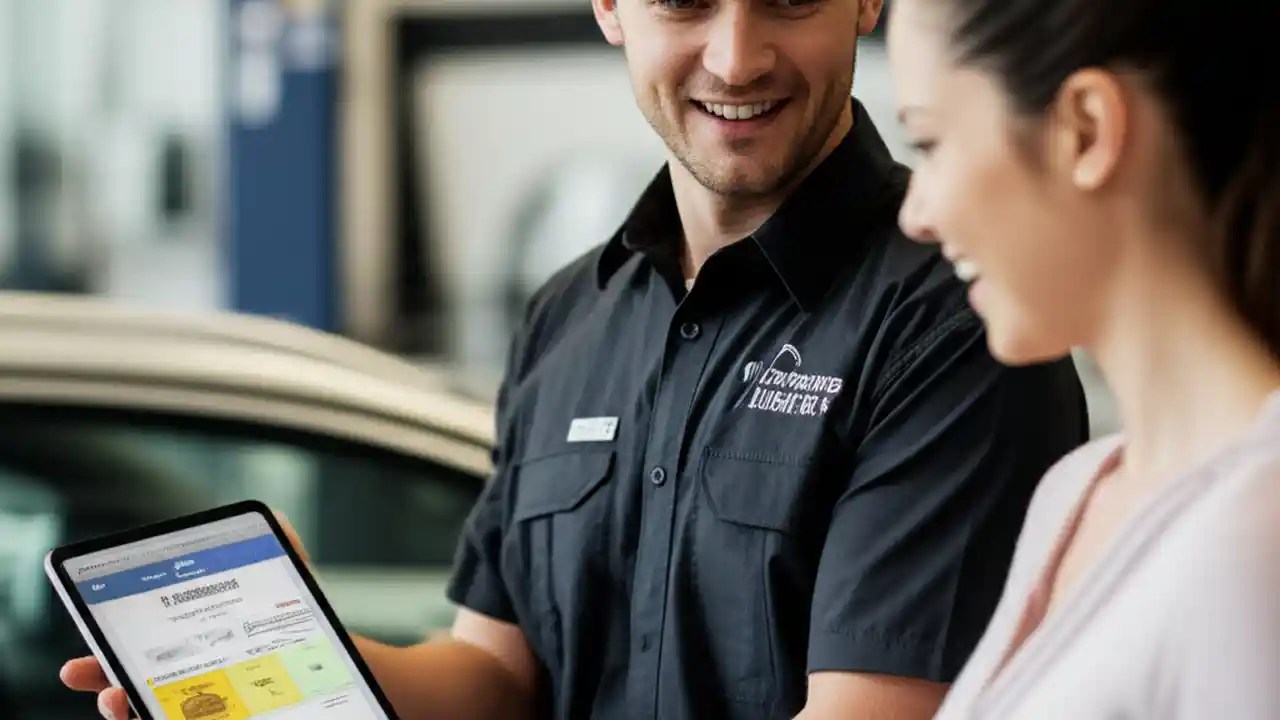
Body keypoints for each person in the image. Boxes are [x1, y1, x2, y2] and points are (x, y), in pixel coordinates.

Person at [64, 1, 1089, 718]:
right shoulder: (570, 315)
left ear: (863, 1)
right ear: (611, 6)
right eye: (682, 1)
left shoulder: (951, 318)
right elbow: (496, 680)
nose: (736, 58)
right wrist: (293, 666)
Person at [885, 0, 1280, 716]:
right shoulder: (1074, 492)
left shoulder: (1255, 541)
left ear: (1087, 130)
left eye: (930, 143)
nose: (916, 213)